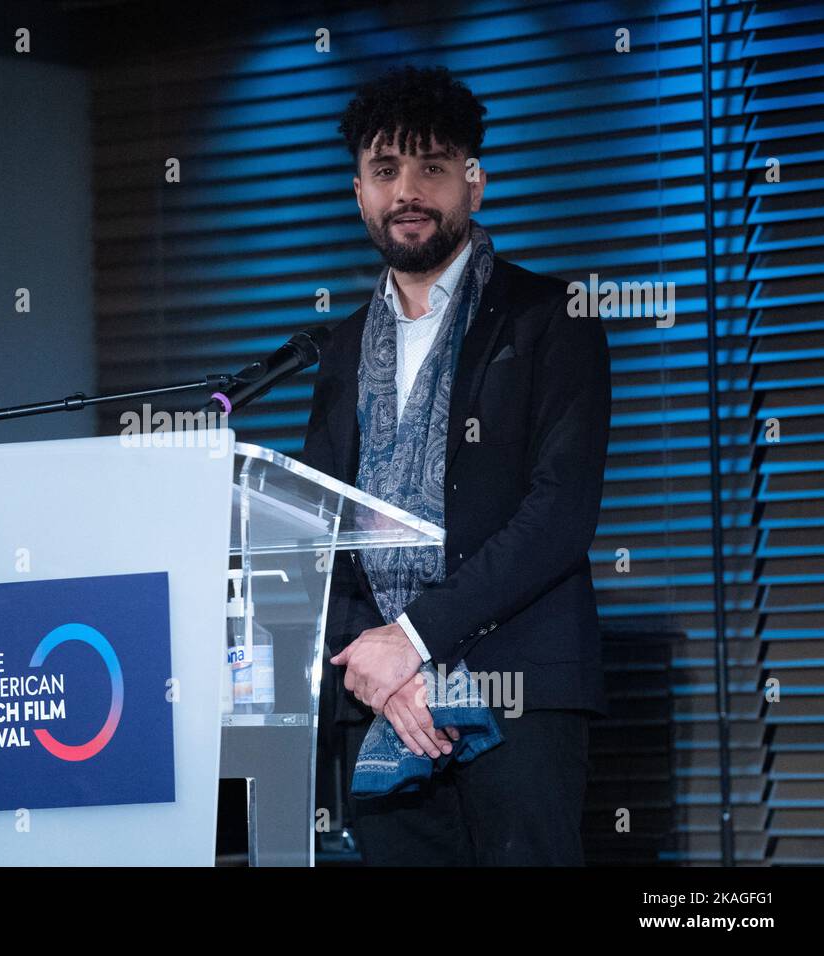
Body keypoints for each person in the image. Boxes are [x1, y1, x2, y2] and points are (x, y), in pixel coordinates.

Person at [300, 65, 612, 866]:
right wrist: (382, 668)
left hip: (517, 694)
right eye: (385, 171)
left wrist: (411, 637)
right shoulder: (335, 353)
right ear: (359, 193)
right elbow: (319, 536)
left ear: (475, 183)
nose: (408, 190)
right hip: (380, 705)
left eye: (432, 166)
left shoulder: (550, 320)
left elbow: (558, 517)